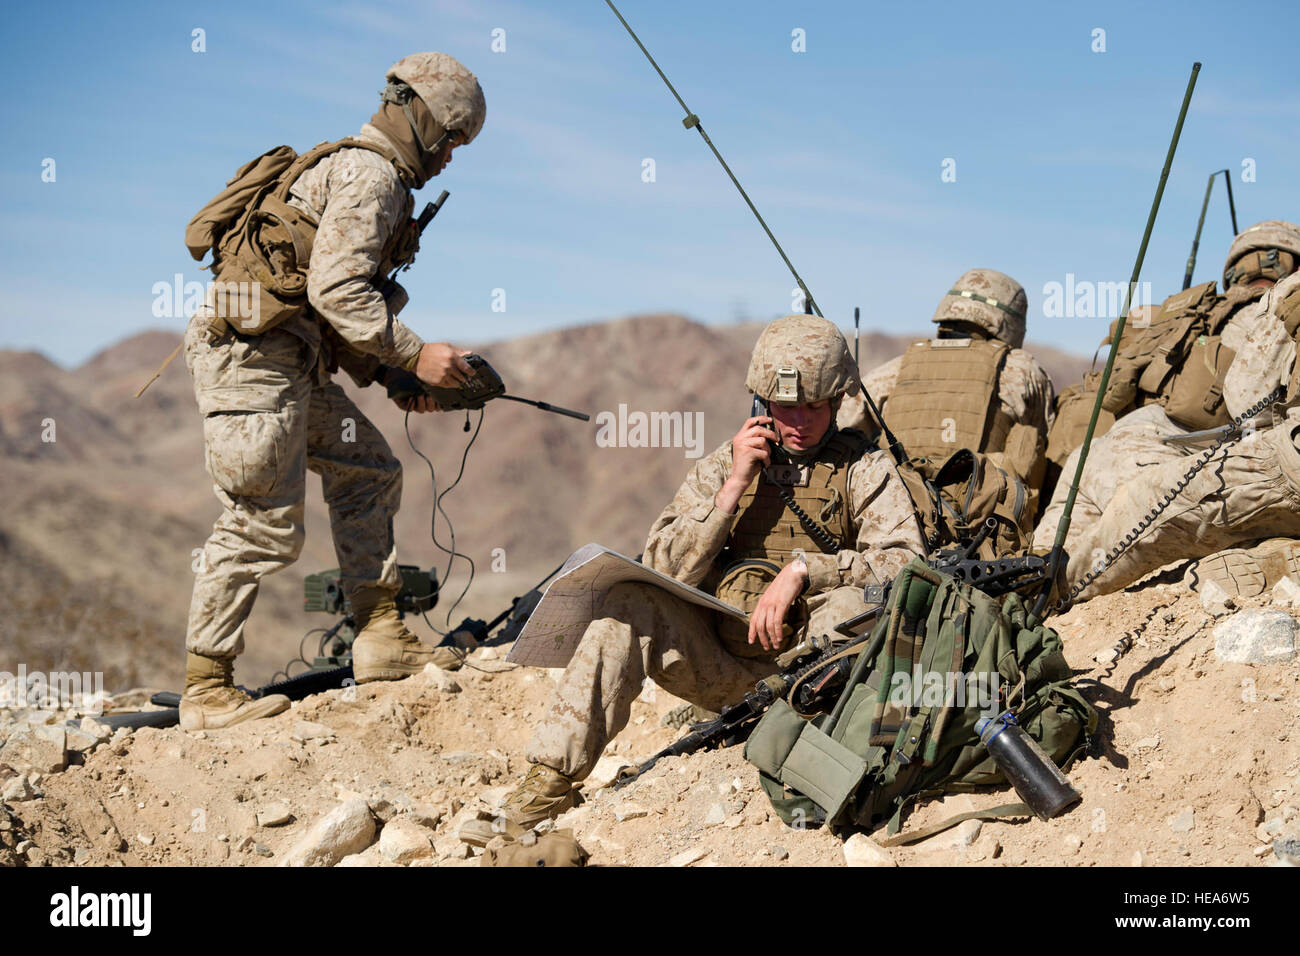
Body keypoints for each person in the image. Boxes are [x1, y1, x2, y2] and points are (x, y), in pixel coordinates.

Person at [493, 315, 927, 828]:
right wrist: (730, 493)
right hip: (723, 667)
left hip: (814, 681)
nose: (800, 421)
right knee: (627, 607)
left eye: (815, 406)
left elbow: (906, 562)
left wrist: (808, 570)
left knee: (860, 608)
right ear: (762, 402)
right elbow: (660, 567)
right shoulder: (728, 464)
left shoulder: (864, 468)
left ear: (838, 401)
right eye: (786, 406)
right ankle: (548, 783)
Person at [179, 53, 486, 732]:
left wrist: (396, 378)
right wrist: (415, 352)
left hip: (290, 359)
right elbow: (337, 290)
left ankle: (380, 639)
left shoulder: (356, 170)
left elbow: (327, 307)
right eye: (454, 142)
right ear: (429, 122)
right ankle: (207, 688)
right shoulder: (371, 176)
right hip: (254, 365)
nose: (450, 161)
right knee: (263, 522)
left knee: (368, 470)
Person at [1035, 220, 1300, 559]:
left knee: (1063, 542)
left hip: (1116, 449)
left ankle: (1034, 576)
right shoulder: (1272, 309)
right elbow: (1249, 402)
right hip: (1180, 462)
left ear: (1234, 270)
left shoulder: (1201, 314)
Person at [1064, 269, 1300, 602]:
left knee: (1147, 497)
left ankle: (1055, 589)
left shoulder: (1289, 290)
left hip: (1290, 462)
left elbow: (1246, 401)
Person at [838, 269, 1054, 508]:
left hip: (898, 512)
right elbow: (1042, 448)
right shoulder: (1022, 369)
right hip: (984, 526)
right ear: (1011, 322)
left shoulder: (895, 369)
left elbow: (841, 432)